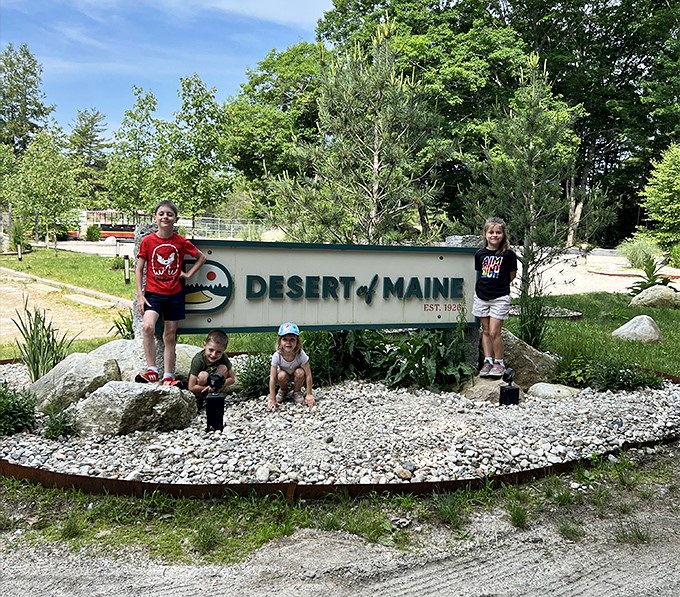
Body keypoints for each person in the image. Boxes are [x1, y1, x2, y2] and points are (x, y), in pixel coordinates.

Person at [134, 200, 206, 386]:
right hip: (153, 294)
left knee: (170, 335)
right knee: (148, 327)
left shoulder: (180, 242)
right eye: (161, 214)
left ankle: (168, 376)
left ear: (176, 219)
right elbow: (139, 269)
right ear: (155, 218)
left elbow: (201, 257)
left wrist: (188, 274)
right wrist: (140, 295)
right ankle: (152, 370)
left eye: (169, 214)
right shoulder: (148, 241)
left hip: (175, 294)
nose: (165, 217)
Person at [473, 216, 517, 378]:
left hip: (500, 297)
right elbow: (481, 274)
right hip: (482, 296)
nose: (494, 235)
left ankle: (499, 362)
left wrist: (499, 286)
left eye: (498, 232)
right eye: (491, 232)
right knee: (484, 330)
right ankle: (488, 360)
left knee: (494, 331)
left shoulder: (509, 255)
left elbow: (511, 275)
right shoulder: (480, 254)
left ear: (503, 234)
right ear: (485, 234)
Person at [268, 322, 314, 410]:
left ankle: (297, 391)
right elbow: (272, 378)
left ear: (297, 342)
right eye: (285, 339)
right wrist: (272, 399)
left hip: (297, 375)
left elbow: (308, 375)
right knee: (281, 375)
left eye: (292, 339)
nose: (288, 343)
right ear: (280, 342)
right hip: (283, 376)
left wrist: (309, 394)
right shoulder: (277, 356)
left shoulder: (300, 354)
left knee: (300, 372)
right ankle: (283, 390)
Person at [188, 330, 236, 405]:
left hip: (216, 385)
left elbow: (232, 379)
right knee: (203, 375)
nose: (213, 354)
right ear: (204, 345)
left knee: (223, 367)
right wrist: (207, 388)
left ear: (224, 351)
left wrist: (219, 386)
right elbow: (191, 387)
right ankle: (200, 399)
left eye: (219, 352)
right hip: (202, 387)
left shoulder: (223, 358)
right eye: (211, 350)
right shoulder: (198, 360)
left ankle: (216, 395)